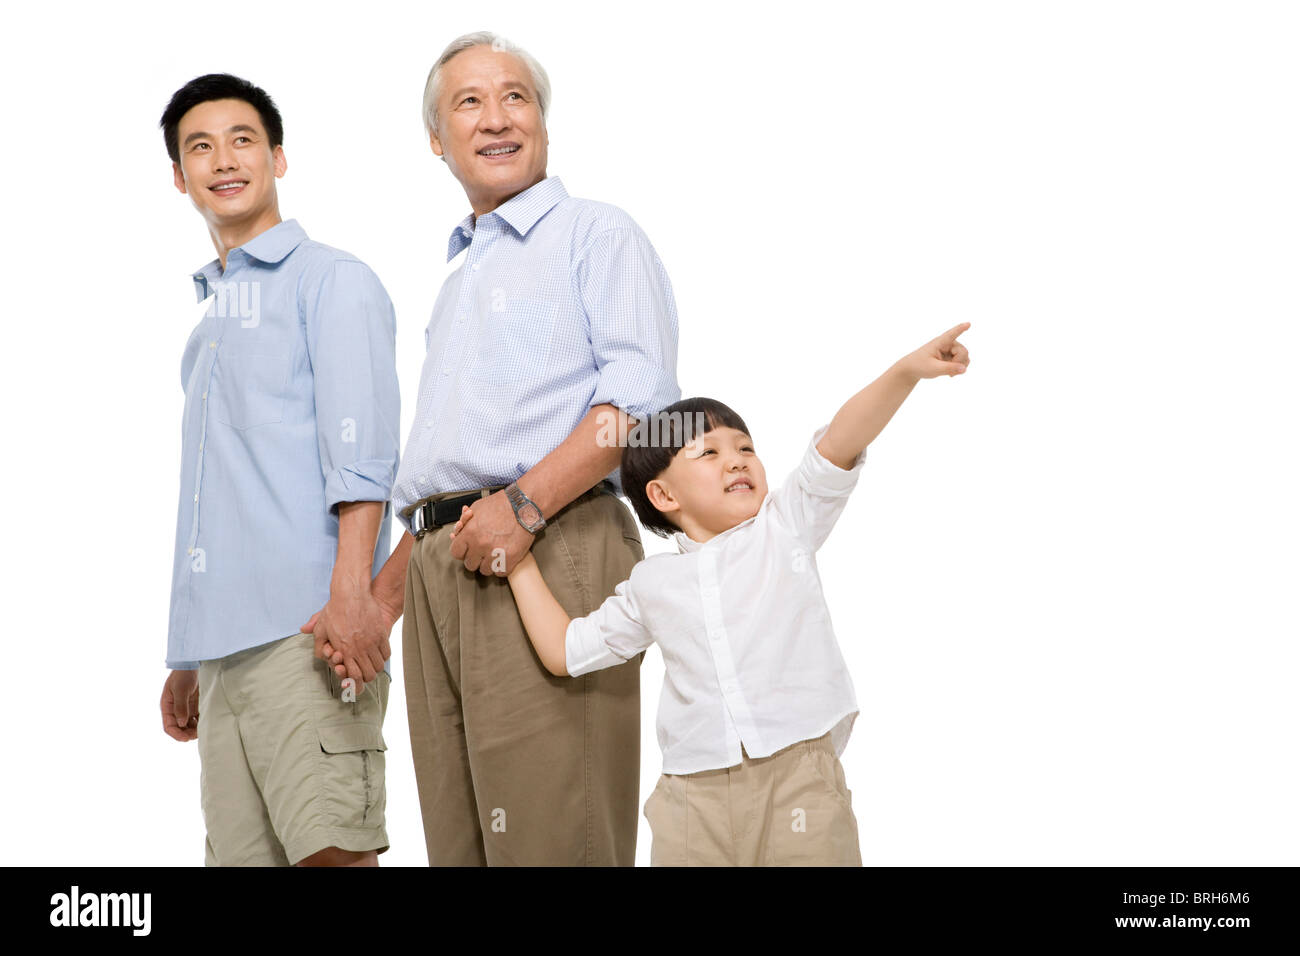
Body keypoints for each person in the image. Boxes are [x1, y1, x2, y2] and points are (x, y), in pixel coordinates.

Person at [463, 323, 972, 865]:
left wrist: (906, 372)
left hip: (798, 778)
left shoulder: (785, 525)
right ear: (662, 494)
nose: (738, 460)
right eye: (708, 453)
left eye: (746, 447)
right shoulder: (652, 583)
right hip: (691, 799)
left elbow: (841, 441)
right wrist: (514, 563)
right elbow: (566, 650)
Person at [376, 31, 681, 865]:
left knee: (554, 839)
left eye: (516, 96)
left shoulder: (593, 233)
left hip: (553, 543)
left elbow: (639, 406)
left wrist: (525, 505)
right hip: (448, 565)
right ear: (437, 139)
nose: (497, 117)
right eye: (468, 102)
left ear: (543, 121)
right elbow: (448, 464)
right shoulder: (461, 275)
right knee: (463, 845)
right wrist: (385, 598)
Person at [157, 73, 402, 866]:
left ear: (278, 158)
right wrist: (189, 653)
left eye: (242, 140)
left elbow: (359, 456)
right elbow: (211, 498)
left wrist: (353, 595)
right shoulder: (207, 329)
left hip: (308, 636)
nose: (223, 160)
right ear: (179, 175)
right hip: (223, 659)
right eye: (201, 147)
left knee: (332, 856)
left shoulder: (330, 280)